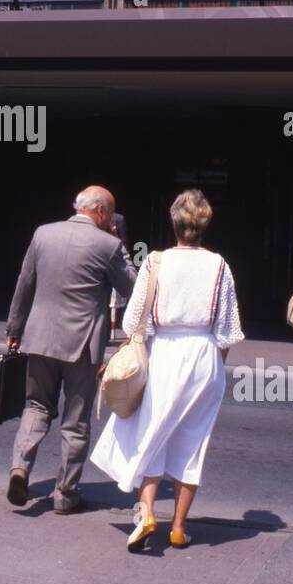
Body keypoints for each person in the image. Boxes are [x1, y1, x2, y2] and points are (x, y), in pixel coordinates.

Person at [91, 190, 245, 551]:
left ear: (173, 223)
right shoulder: (219, 265)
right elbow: (227, 330)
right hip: (204, 356)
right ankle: (178, 527)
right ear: (205, 225)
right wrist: (214, 372)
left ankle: (146, 512)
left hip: (165, 355)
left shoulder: (156, 261)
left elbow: (133, 322)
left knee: (151, 433)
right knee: (193, 444)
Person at [5, 185, 136, 515]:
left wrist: (14, 329)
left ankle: (20, 468)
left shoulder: (43, 234)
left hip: (39, 338)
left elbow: (25, 283)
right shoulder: (108, 245)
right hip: (82, 346)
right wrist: (120, 245)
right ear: (103, 213)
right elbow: (133, 288)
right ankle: (65, 495)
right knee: (75, 423)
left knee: (36, 406)